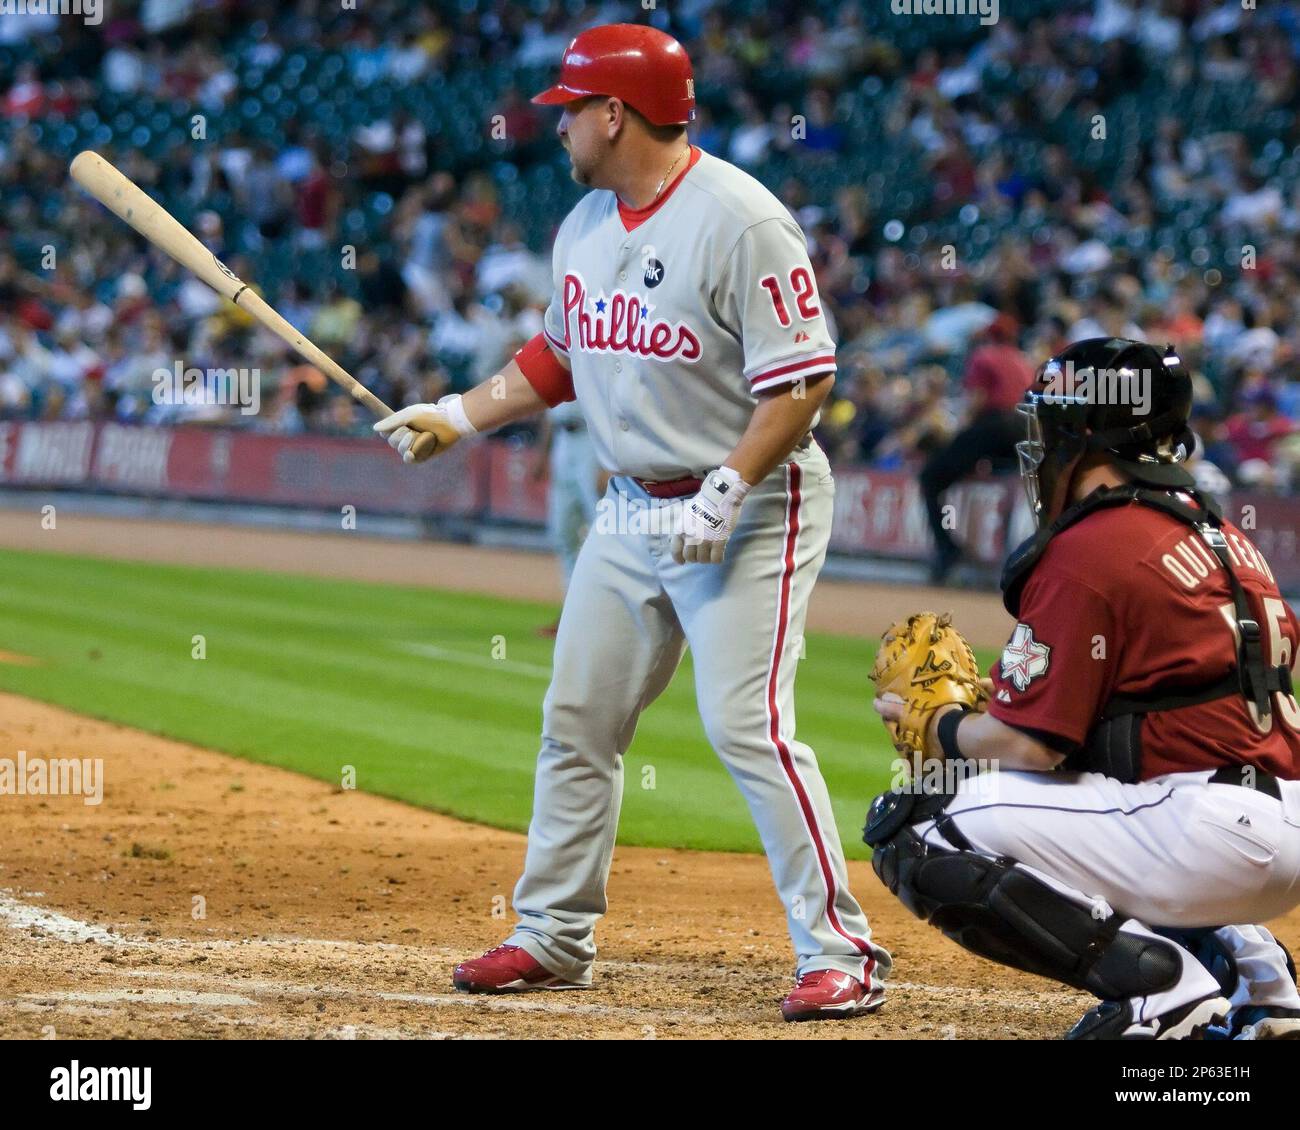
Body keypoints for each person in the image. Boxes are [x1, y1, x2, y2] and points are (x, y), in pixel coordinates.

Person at [373, 24, 890, 1021]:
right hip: (630, 508)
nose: (557, 125)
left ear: (615, 114)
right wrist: (458, 413)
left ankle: (842, 949)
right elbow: (558, 357)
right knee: (578, 719)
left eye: (569, 108)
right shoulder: (585, 223)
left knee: (747, 725)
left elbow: (805, 378)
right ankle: (552, 935)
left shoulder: (740, 219)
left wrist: (728, 489)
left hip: (750, 504)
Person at [868, 338, 1300, 1040]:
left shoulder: (1096, 542)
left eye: (1053, 428)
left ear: (1086, 435)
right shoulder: (1222, 535)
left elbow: (1029, 748)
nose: (1041, 446)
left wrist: (940, 724)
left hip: (1206, 831)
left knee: (917, 815)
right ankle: (1263, 982)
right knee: (1105, 791)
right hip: (1273, 824)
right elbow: (1130, 720)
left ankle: (1162, 990)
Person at [919, 313, 1034, 583]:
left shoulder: (985, 356)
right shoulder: (1023, 361)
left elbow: (977, 402)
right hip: (1024, 430)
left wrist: (957, 437)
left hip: (993, 427)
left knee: (930, 478)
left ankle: (948, 550)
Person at [535, 398, 603, 637]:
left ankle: (608, 615)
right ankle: (573, 612)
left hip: (593, 441)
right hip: (563, 441)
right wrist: (542, 454)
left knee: (607, 532)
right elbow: (549, 407)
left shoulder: (603, 359)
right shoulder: (564, 359)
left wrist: (608, 462)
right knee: (563, 534)